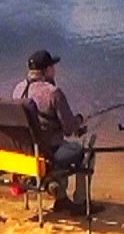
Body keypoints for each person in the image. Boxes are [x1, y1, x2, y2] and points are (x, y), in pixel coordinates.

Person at [13, 49, 93, 213]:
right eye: (52, 67)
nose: (55, 70)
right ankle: (80, 202)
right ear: (47, 70)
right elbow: (69, 128)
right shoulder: (53, 93)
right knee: (86, 152)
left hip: (25, 151)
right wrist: (79, 119)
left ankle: (59, 193)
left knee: (64, 146)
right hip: (48, 152)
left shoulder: (18, 89)